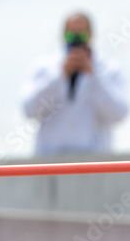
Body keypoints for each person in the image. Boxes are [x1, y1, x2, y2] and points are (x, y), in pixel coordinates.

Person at [21, 12, 127, 155]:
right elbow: (30, 111)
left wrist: (93, 77)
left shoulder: (109, 69)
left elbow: (119, 114)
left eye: (82, 36)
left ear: (91, 35)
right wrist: (60, 77)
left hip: (95, 159)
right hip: (51, 159)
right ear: (63, 36)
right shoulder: (43, 68)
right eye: (71, 36)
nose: (76, 41)